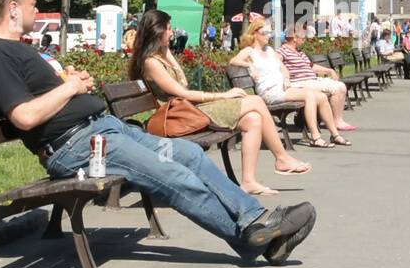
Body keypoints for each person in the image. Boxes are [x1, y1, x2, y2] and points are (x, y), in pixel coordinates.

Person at [0, 0, 317, 265]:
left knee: (189, 155)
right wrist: (71, 87)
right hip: (77, 146)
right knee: (172, 175)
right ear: (13, 8)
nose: (37, 6)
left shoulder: (18, 48)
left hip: (102, 130)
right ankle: (255, 236)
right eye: (33, 2)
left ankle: (255, 220)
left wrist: (70, 85)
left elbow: (40, 98)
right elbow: (24, 116)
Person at [134, 11, 311, 197]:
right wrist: (224, 96)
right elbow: (182, 93)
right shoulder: (151, 62)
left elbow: (183, 82)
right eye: (168, 29)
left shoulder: (161, 56)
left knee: (253, 119)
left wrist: (167, 51)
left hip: (188, 110)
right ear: (157, 31)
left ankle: (249, 181)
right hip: (179, 117)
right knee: (256, 101)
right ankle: (282, 158)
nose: (172, 33)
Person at [230, 20, 350, 149]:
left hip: (282, 88)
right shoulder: (250, 51)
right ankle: (316, 137)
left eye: (270, 32)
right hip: (269, 92)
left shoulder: (270, 50)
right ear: (255, 34)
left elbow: (283, 69)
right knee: (310, 96)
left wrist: (286, 79)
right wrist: (249, 65)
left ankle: (335, 134)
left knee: (321, 96)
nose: (269, 36)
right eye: (265, 33)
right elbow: (233, 60)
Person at [278, 25, 356, 132]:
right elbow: (275, 63)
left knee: (340, 86)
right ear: (294, 38)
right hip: (299, 83)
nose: (304, 40)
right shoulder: (283, 51)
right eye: (303, 38)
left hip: (311, 81)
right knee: (338, 87)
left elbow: (312, 66)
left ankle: (336, 119)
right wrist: (285, 77)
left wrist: (329, 71)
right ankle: (337, 121)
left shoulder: (299, 52)